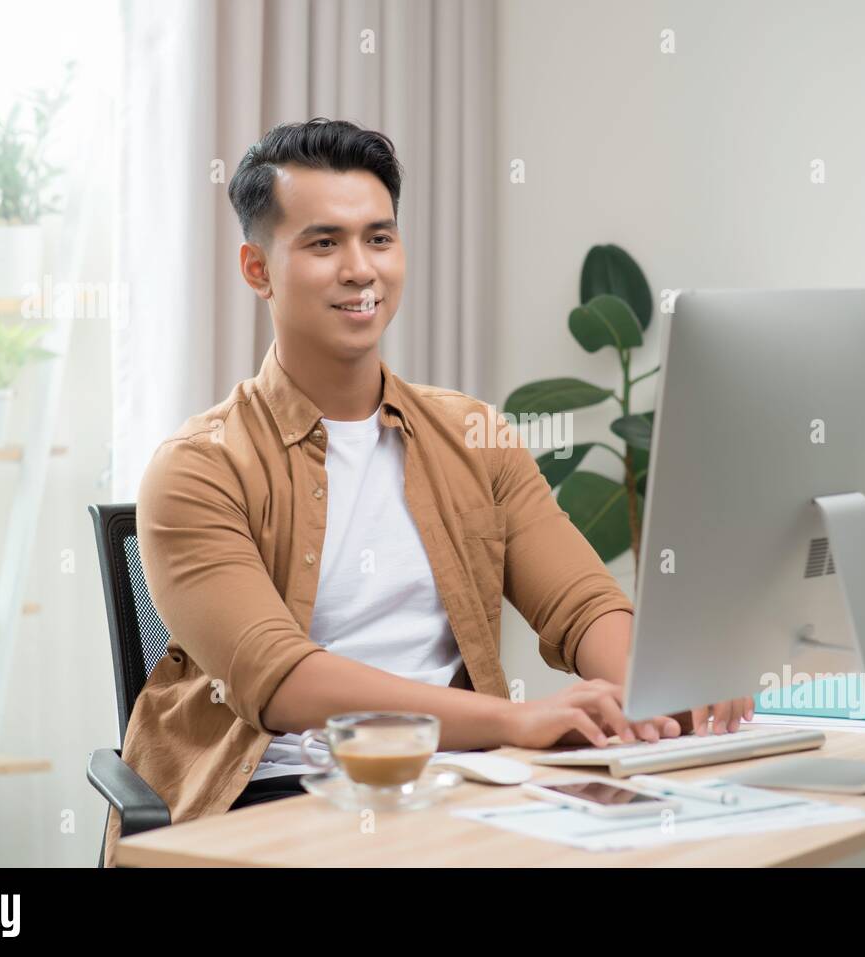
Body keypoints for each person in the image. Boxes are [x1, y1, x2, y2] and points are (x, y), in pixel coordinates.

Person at [102, 118, 753, 866]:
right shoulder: (197, 468)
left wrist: (663, 682)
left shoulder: (473, 436)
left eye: (379, 238)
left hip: (457, 788)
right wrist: (512, 720)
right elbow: (279, 678)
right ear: (258, 269)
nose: (360, 269)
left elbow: (581, 604)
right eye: (324, 243)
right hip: (272, 800)